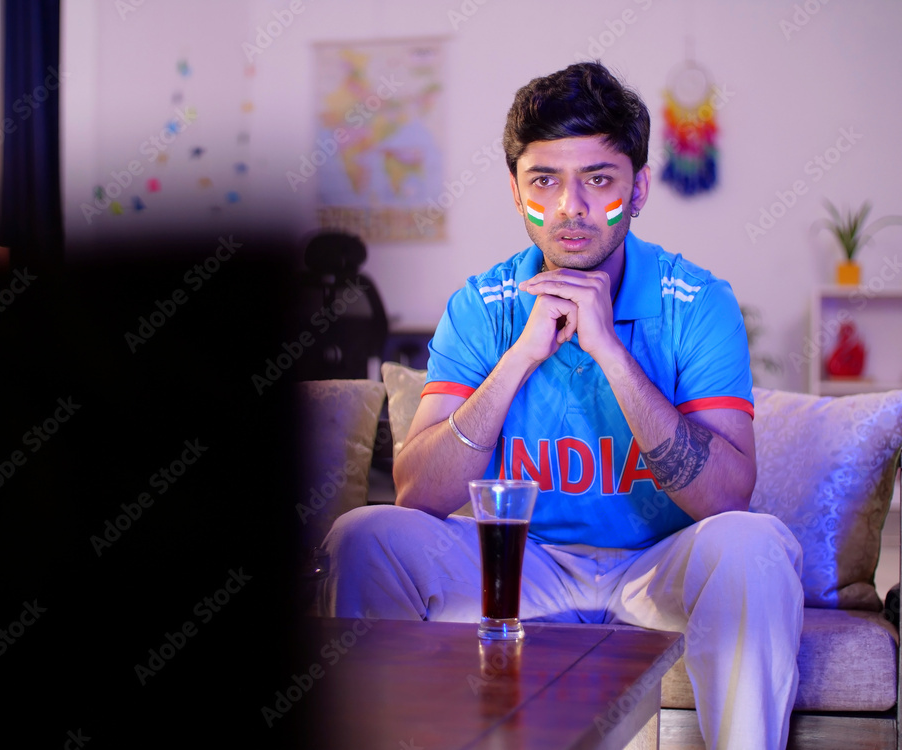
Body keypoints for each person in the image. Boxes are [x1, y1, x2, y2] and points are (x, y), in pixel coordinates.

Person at [318, 61, 803, 750]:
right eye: (544, 180)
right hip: (523, 565)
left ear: (638, 190)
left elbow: (727, 497)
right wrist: (519, 356)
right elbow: (416, 494)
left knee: (755, 544)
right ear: (517, 192)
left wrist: (609, 349)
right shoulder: (481, 306)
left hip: (656, 566)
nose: (570, 207)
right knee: (365, 536)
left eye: (598, 180)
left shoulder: (696, 301)